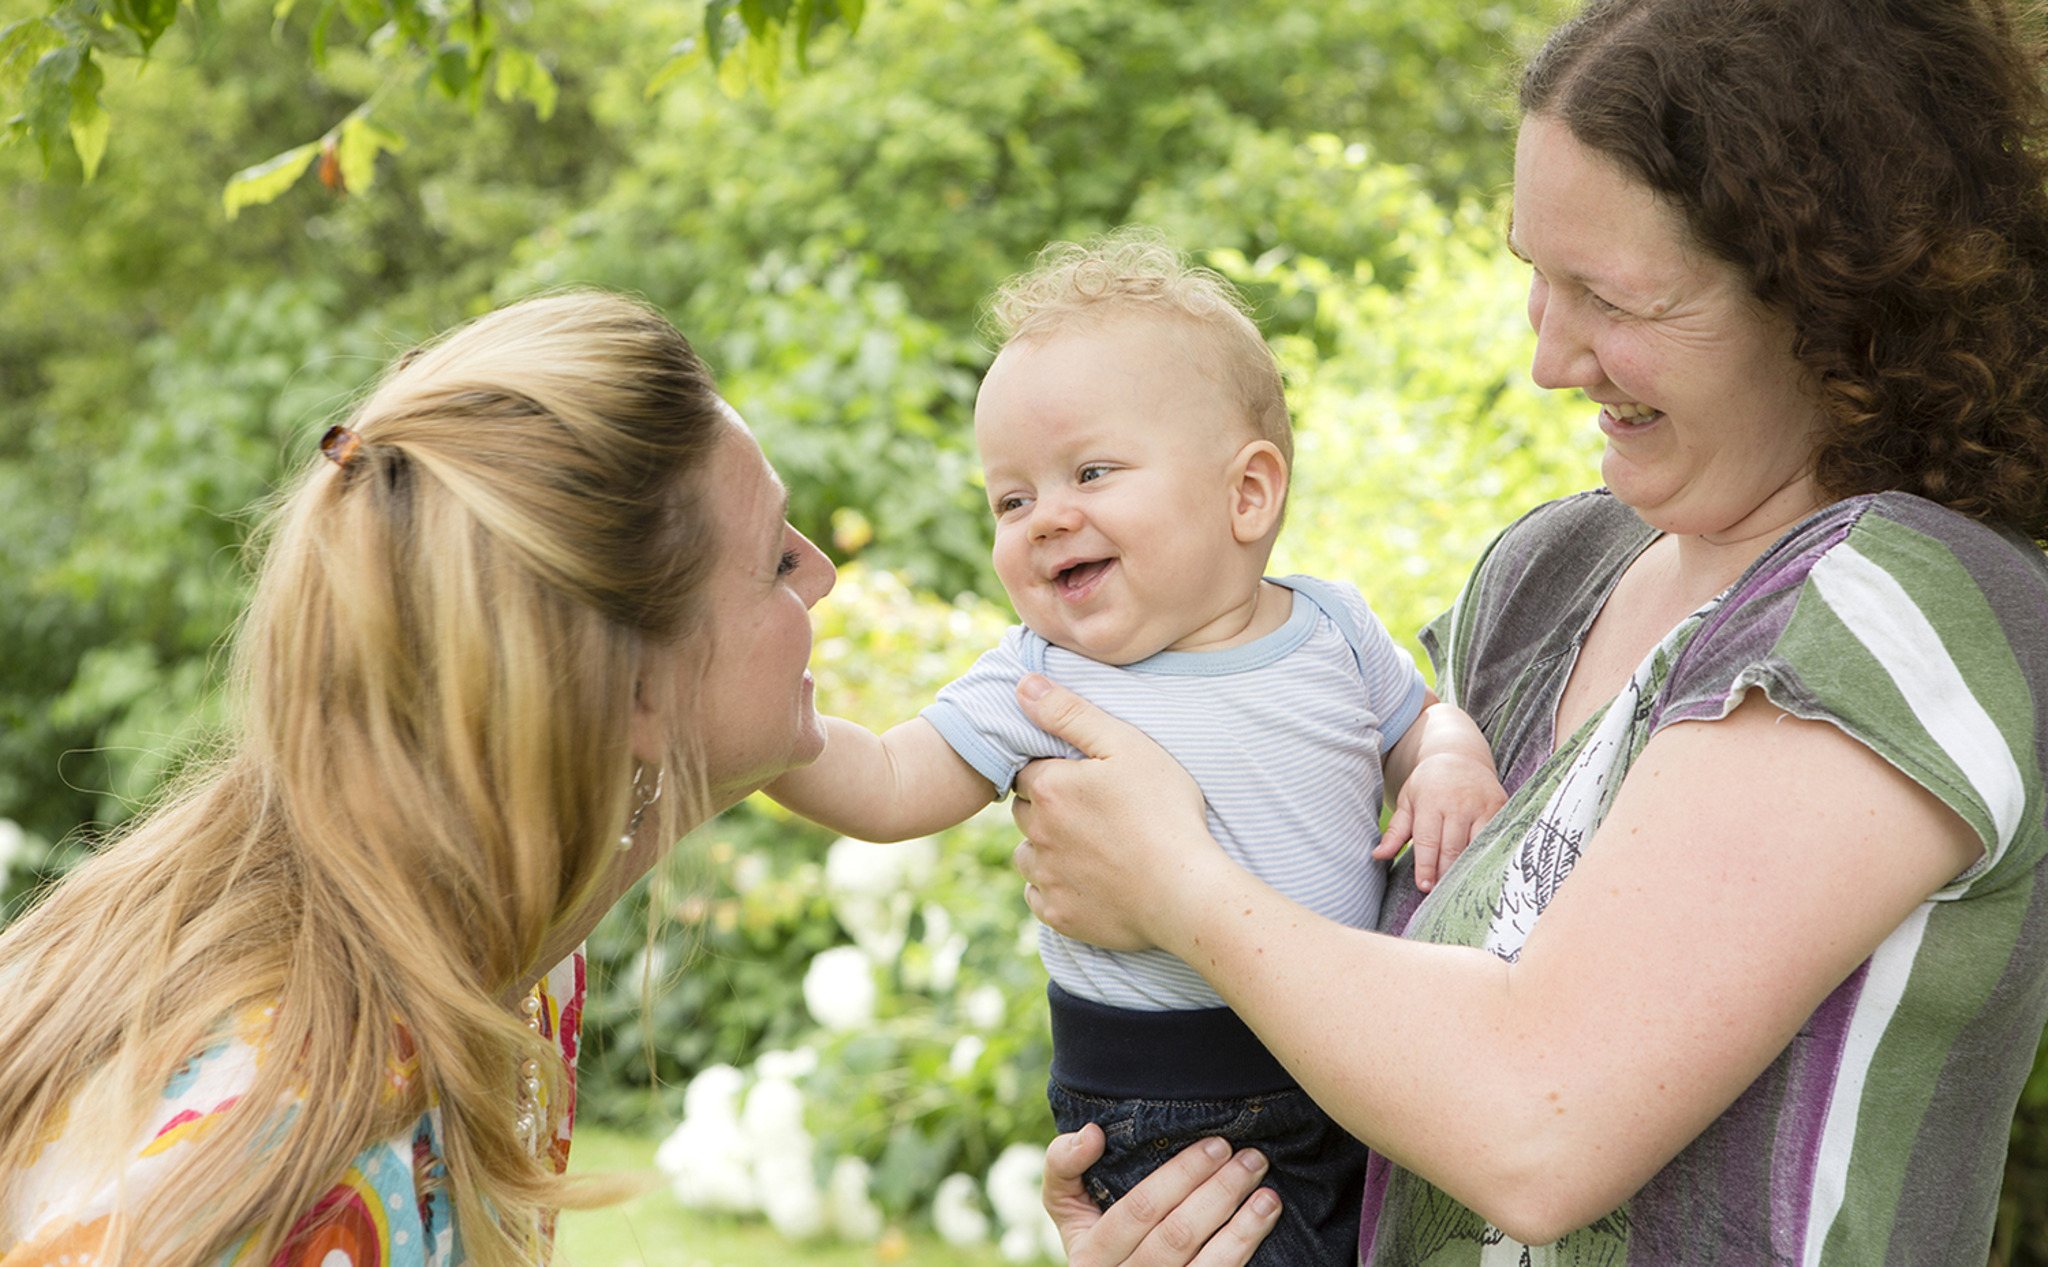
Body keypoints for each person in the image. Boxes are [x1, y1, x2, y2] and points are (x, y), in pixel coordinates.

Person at [1006, 0, 2048, 1263]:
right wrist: (1182, 1216)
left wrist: (1172, 884)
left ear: (1829, 294)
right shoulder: (1545, 574)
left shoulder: (1906, 608)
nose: (1548, 359)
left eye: (1611, 296)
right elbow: (1381, 1056)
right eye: (1533, 278)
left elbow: (1535, 1124)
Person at [0, 290, 839, 1267]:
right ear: (634, 691)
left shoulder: (495, 964)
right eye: (777, 558)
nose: (821, 573)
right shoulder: (301, 1160)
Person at [765, 230, 1505, 1263]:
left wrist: (1448, 755)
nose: (1044, 518)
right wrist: (757, 732)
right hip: (1170, 1118)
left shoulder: (1332, 628)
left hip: (1355, 1066)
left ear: (1247, 494)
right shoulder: (1039, 676)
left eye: (1092, 471)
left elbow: (1416, 724)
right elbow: (889, 781)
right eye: (1010, 498)